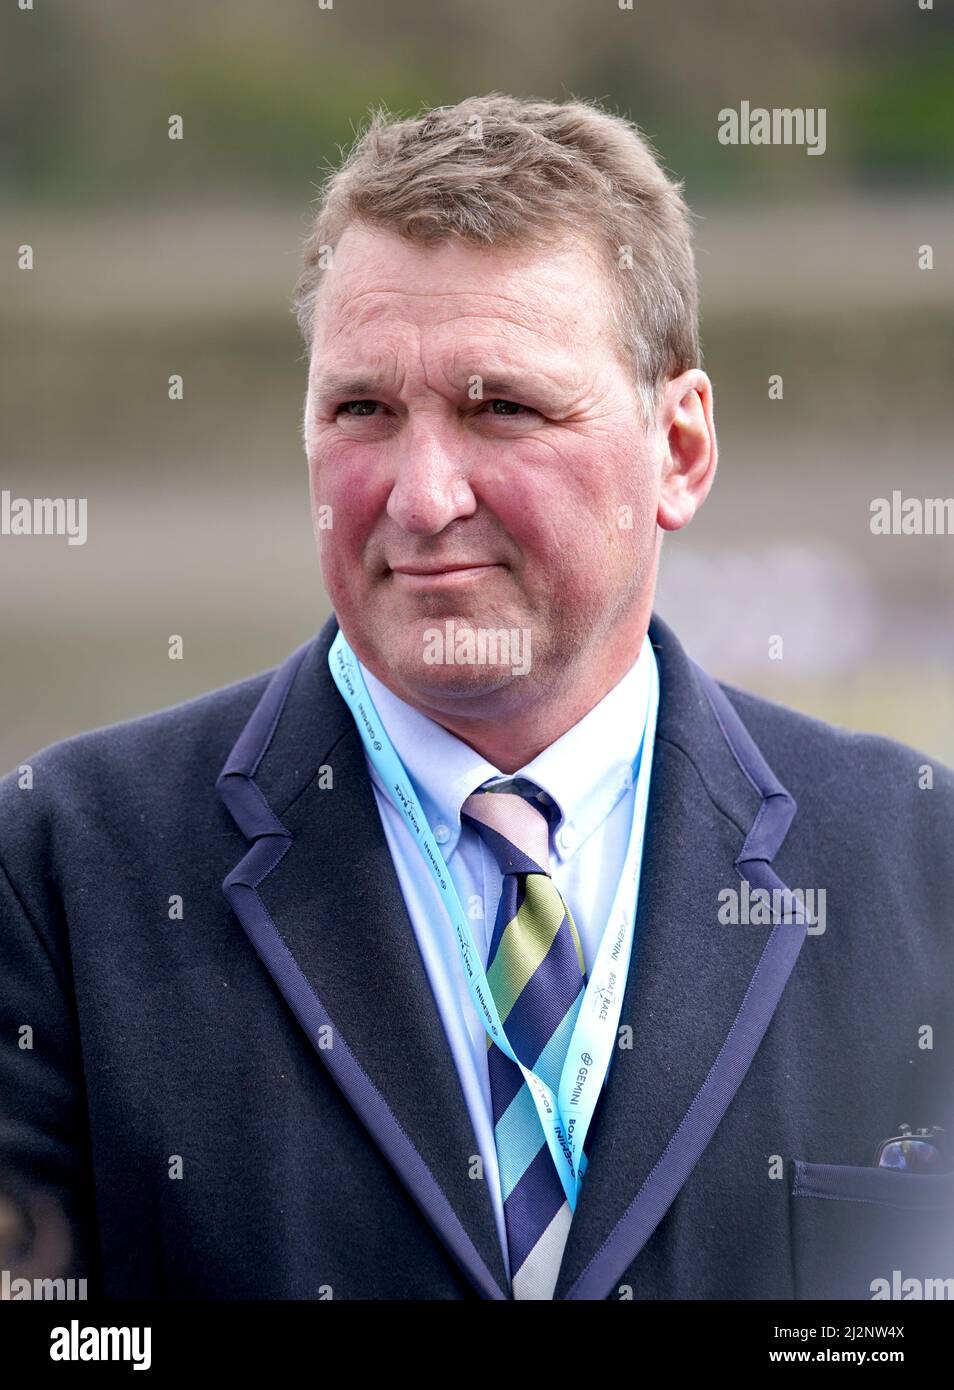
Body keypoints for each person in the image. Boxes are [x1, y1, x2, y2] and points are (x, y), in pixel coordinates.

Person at [1, 93, 952, 1303]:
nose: (422, 494)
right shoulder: (57, 873)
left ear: (681, 449)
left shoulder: (921, 862)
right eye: (363, 410)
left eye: (502, 406)